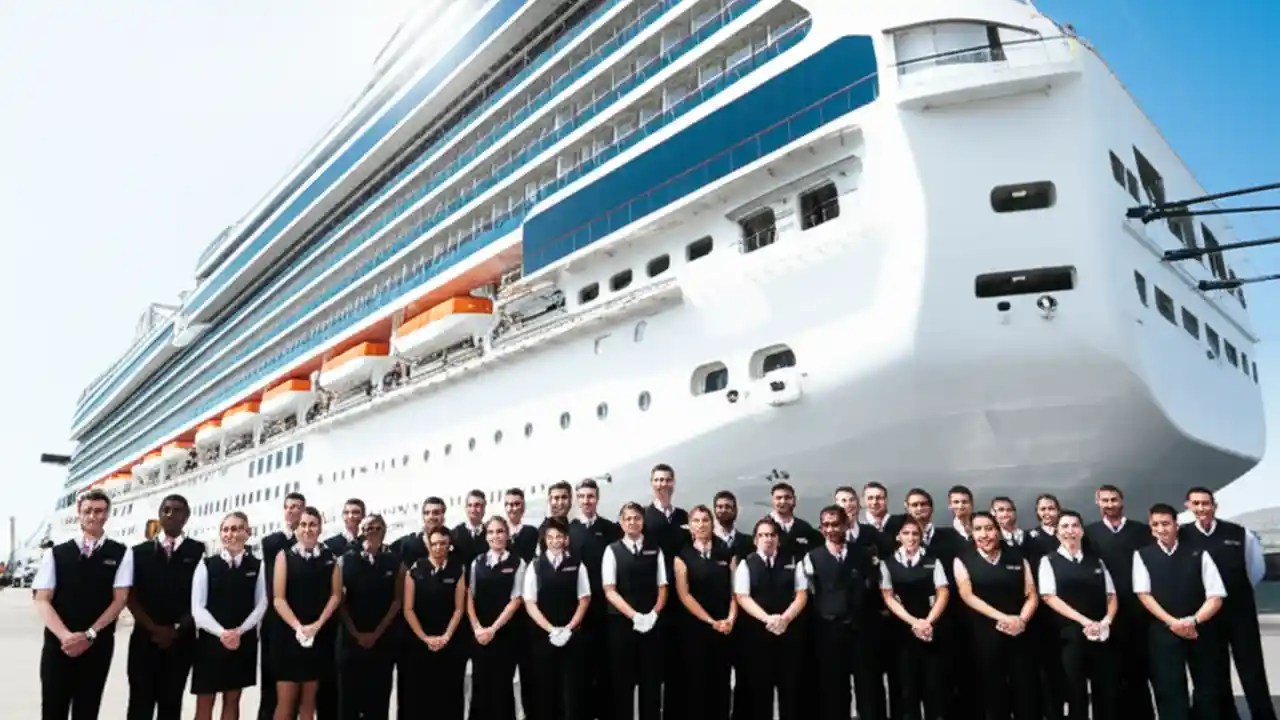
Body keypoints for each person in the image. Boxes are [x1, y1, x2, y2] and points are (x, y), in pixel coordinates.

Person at [34, 488, 134, 720]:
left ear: (107, 515)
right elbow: (42, 599)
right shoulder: (56, 553)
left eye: (98, 511)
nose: (92, 516)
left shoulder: (121, 553)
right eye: (87, 511)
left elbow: (120, 599)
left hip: (97, 645)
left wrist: (89, 634)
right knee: (52, 707)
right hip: (58, 645)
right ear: (78, 514)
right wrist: (66, 636)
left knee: (88, 708)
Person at [1181, 486, 1275, 720]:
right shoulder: (1182, 535)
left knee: (1251, 667)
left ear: (1214, 505)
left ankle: (1263, 715)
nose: (1201, 508)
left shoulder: (1239, 533)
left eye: (1206, 503)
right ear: (1188, 506)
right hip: (1205, 613)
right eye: (1196, 503)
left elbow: (1255, 569)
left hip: (1239, 611)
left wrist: (1234, 593)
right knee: (1214, 667)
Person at [1133, 503, 1228, 720]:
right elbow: (1144, 595)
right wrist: (1173, 623)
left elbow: (1216, 595)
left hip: (1200, 630)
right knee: (1170, 690)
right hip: (1164, 632)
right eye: (1155, 524)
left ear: (1176, 525)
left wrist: (1193, 621)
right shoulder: (1142, 556)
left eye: (1166, 524)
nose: (1161, 529)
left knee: (1207, 688)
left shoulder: (1198, 554)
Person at [953, 511, 1040, 720]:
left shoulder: (1017, 557)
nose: (985, 534)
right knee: (993, 694)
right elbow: (967, 595)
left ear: (998, 531)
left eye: (989, 528)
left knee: (1026, 692)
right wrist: (1003, 618)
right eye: (978, 529)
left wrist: (1021, 620)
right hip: (984, 637)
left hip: (1020, 633)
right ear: (972, 534)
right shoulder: (963, 560)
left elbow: (1032, 594)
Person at [127, 494, 205, 720]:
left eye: (178, 510)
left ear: (187, 516)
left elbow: (201, 597)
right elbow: (131, 597)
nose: (171, 515)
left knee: (172, 703)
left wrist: (178, 628)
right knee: (139, 702)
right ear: (159, 515)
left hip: (182, 640)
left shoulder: (198, 551)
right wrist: (153, 628)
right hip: (144, 639)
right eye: (166, 510)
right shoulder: (138, 552)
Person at [802, 505, 883, 720]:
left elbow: (873, 587)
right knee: (834, 690)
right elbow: (808, 594)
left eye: (835, 524)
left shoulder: (863, 554)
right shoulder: (812, 557)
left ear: (846, 525)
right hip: (828, 632)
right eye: (826, 525)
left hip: (861, 630)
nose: (831, 529)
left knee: (867, 688)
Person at [1037, 510, 1119, 720]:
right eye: (1064, 526)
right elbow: (1049, 597)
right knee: (1076, 694)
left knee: (1107, 693)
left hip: (1101, 635)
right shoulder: (1049, 561)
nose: (1070, 531)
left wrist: (1106, 621)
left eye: (1074, 526)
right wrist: (1084, 621)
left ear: (1082, 531)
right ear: (1057, 532)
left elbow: (1111, 595)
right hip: (1069, 637)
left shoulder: (1096, 561)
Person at [1083, 485, 1154, 720]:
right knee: (1107, 673)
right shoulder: (1089, 533)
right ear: (1097, 502)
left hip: (1137, 610)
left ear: (1122, 501)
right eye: (1105, 500)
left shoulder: (1141, 531)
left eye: (1114, 500)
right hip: (1104, 611)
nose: (1110, 504)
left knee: (1138, 671)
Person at [191, 511, 268, 720]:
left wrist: (240, 632)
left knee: (233, 700)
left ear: (247, 532)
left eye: (235, 529)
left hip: (243, 641)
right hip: (210, 641)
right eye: (225, 529)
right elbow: (198, 608)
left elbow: (261, 603)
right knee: (205, 701)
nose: (230, 534)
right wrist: (222, 633)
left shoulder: (258, 566)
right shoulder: (206, 564)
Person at [271, 506, 342, 720]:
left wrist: (316, 626)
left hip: (318, 637)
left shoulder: (332, 558)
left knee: (309, 704)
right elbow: (279, 598)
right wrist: (299, 628)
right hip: (289, 637)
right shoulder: (284, 556)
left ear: (320, 528)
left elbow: (335, 595)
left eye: (312, 524)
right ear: (296, 528)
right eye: (303, 524)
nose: (307, 529)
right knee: (285, 703)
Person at [732, 517, 807, 720]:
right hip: (757, 637)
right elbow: (742, 596)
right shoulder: (746, 564)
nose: (768, 539)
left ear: (778, 539)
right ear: (755, 540)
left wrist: (785, 618)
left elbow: (801, 594)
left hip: (788, 634)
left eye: (772, 535)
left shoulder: (793, 562)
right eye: (763, 535)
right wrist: (768, 619)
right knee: (759, 693)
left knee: (790, 692)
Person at [879, 517, 950, 720]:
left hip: (931, 631)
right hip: (902, 633)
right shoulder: (888, 564)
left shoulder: (932, 561)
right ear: (898, 536)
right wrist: (914, 622)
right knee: (906, 690)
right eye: (906, 533)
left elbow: (942, 592)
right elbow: (888, 597)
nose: (911, 538)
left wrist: (928, 622)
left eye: (915, 534)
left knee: (934, 688)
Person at [604, 501, 668, 720]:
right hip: (621, 625)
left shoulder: (655, 549)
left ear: (643, 521)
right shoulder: (612, 551)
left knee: (651, 683)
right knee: (623, 683)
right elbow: (610, 590)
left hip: (651, 623)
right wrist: (634, 616)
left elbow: (662, 586)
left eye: (637, 518)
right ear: (621, 523)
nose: (632, 522)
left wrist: (654, 614)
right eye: (628, 518)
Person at [523, 517, 592, 720]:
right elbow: (530, 602)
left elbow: (584, 598)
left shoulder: (577, 565)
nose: (555, 541)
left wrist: (569, 628)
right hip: (544, 638)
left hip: (571, 637)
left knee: (571, 691)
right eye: (551, 537)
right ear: (545, 539)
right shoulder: (534, 566)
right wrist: (550, 629)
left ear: (566, 539)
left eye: (559, 537)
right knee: (545, 691)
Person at [674, 505, 736, 720]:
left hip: (724, 629)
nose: (701, 525)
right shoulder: (682, 556)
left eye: (705, 520)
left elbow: (734, 592)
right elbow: (685, 595)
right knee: (696, 685)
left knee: (721, 684)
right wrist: (711, 621)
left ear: (712, 523)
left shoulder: (727, 553)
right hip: (695, 629)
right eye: (697, 521)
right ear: (690, 526)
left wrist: (729, 619)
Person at [337, 514, 401, 720]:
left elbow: (397, 601)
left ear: (384, 530)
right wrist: (356, 634)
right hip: (351, 641)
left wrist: (376, 633)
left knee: (378, 702)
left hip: (383, 642)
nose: (372, 532)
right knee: (349, 702)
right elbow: (339, 600)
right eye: (367, 528)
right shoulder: (347, 559)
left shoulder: (394, 561)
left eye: (376, 528)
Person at [568, 478, 622, 720]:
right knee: (580, 670)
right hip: (578, 611)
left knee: (606, 668)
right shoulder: (569, 530)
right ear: (577, 500)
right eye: (582, 497)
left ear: (597, 498)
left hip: (604, 609)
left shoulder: (610, 528)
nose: (586, 501)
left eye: (590, 496)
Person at [402, 527, 467, 720]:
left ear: (450, 545)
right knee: (421, 697)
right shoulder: (416, 569)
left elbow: (459, 608)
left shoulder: (458, 570)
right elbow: (408, 609)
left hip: (450, 642)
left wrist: (446, 636)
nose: (438, 548)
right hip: (420, 643)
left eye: (443, 544)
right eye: (434, 543)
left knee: (450, 696)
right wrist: (425, 638)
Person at [467, 516, 527, 720]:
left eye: (500, 531)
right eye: (491, 532)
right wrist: (477, 627)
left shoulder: (518, 562)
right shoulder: (477, 562)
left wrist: (493, 629)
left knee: (502, 686)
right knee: (480, 686)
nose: (496, 536)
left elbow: (516, 599)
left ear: (507, 534)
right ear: (486, 536)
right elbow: (470, 596)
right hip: (480, 635)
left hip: (505, 635)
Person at [643, 465, 689, 720]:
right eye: (658, 480)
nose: (662, 484)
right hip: (654, 601)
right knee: (651, 670)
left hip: (681, 602)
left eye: (667, 480)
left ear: (673, 483)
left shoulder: (684, 517)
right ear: (652, 483)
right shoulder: (644, 517)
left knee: (677, 667)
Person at [258, 492, 306, 720]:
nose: (292, 510)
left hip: (302, 621)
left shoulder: (310, 544)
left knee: (299, 685)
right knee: (270, 684)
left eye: (297, 507)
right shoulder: (272, 542)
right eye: (288, 506)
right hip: (274, 621)